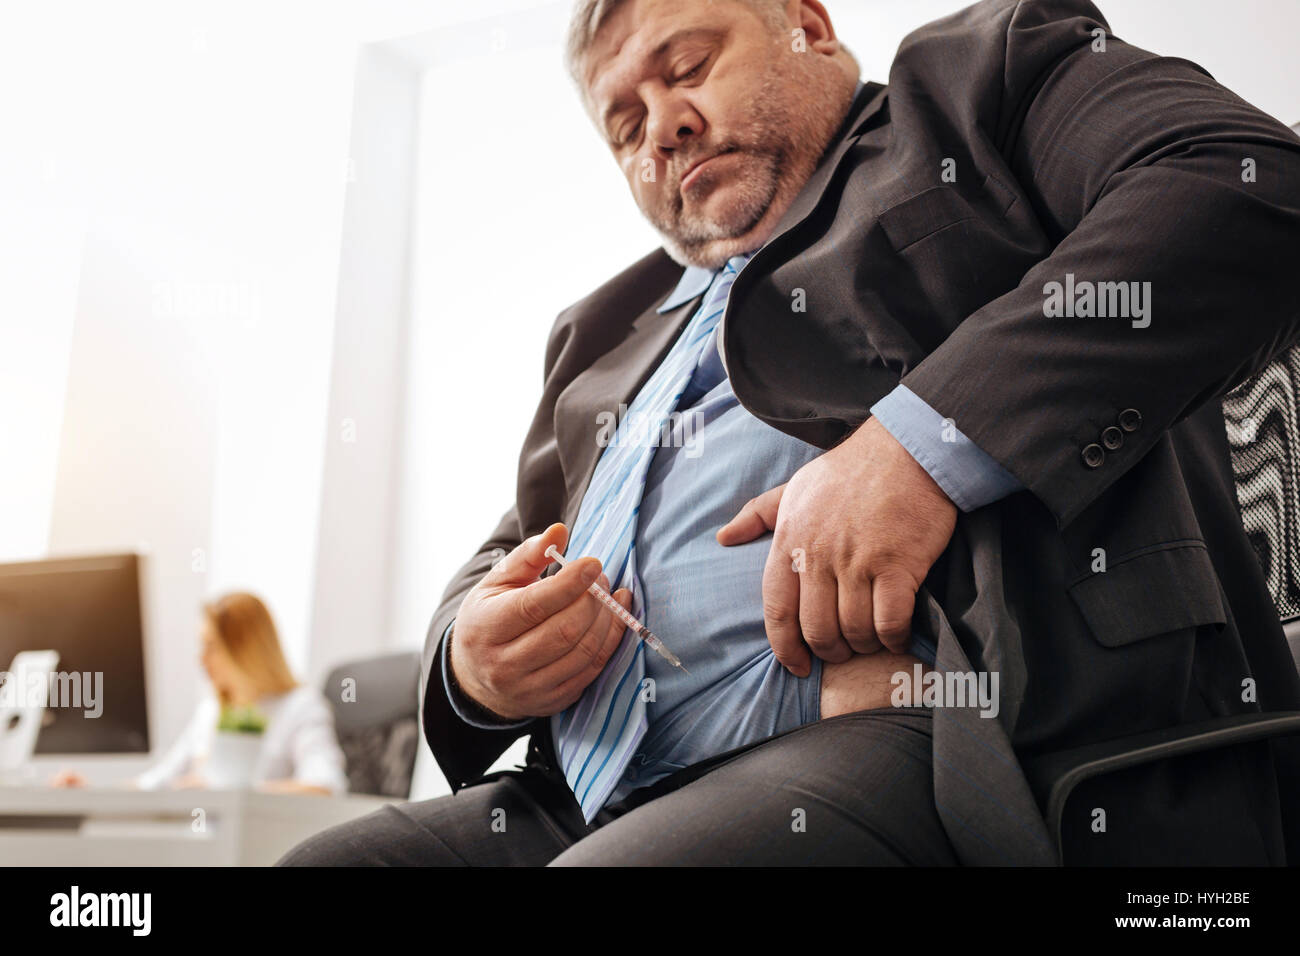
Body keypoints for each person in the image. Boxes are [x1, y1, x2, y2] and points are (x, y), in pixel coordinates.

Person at [281, 0, 1300, 866]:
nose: (662, 129)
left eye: (688, 66)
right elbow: (514, 540)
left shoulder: (975, 86)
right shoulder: (598, 327)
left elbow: (1239, 176)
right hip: (583, 792)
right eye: (624, 126)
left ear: (807, 24)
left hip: (944, 736)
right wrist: (469, 658)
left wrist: (922, 445)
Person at [53, 592, 347, 796]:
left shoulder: (300, 706)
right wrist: (91, 793)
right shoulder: (211, 711)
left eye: (212, 647)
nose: (202, 659)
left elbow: (325, 785)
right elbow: (157, 783)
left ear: (245, 649)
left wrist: (228, 793)